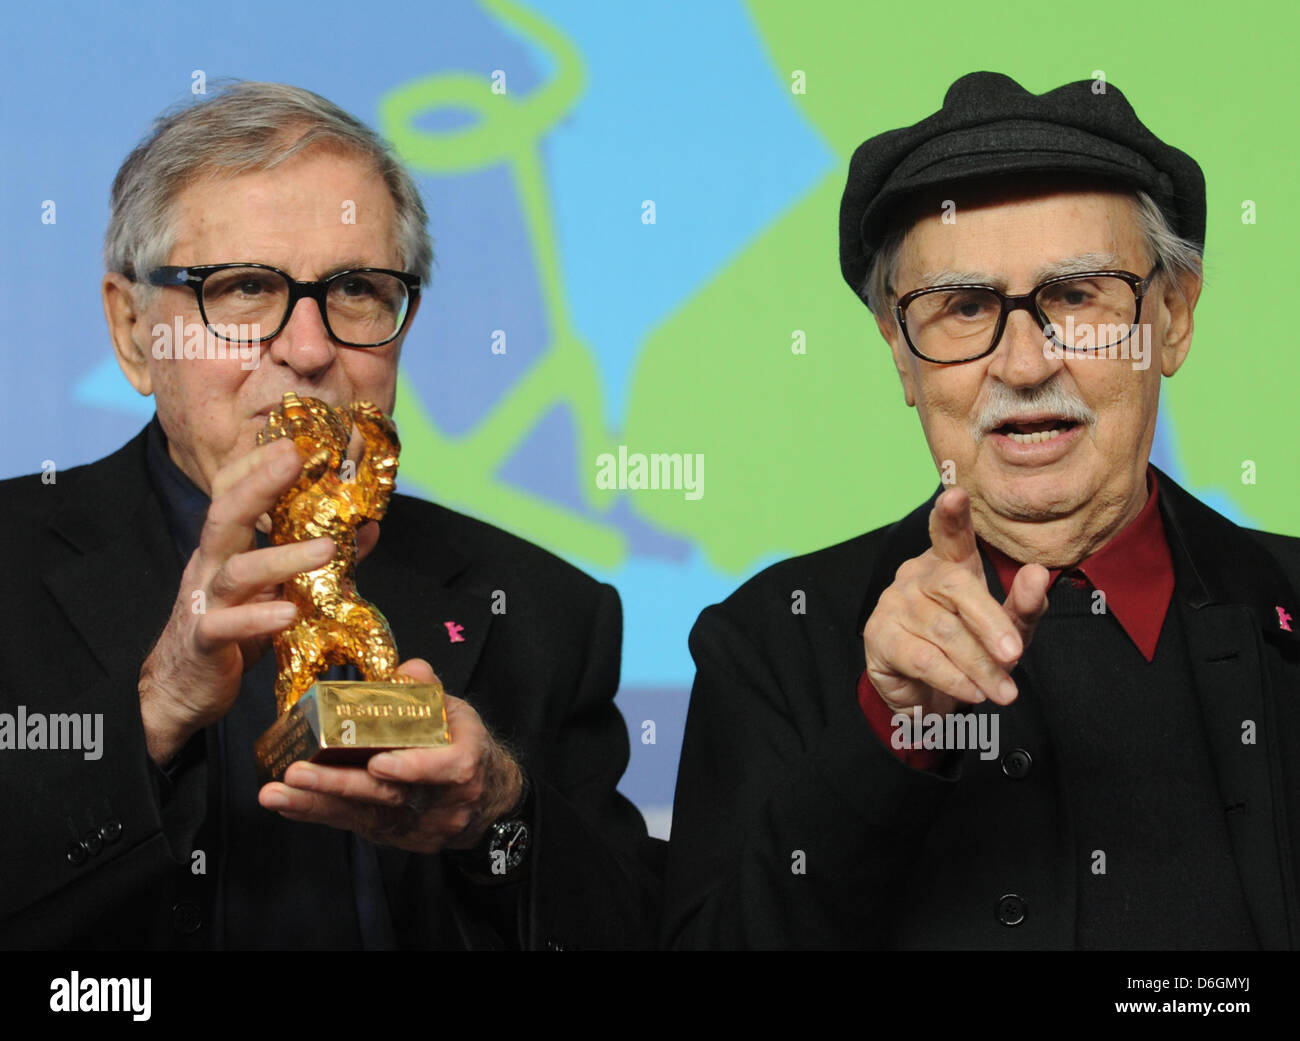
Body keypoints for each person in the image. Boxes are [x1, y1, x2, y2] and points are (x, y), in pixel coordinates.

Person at [0, 81, 662, 950]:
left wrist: (497, 813)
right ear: (133, 333)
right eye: (241, 288)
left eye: (354, 289)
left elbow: (639, 932)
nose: (309, 350)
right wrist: (153, 712)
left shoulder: (542, 609)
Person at [665, 71, 1300, 949]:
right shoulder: (768, 645)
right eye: (964, 308)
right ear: (899, 353)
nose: (1026, 361)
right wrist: (893, 725)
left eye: (1077, 295)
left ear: (1175, 316)